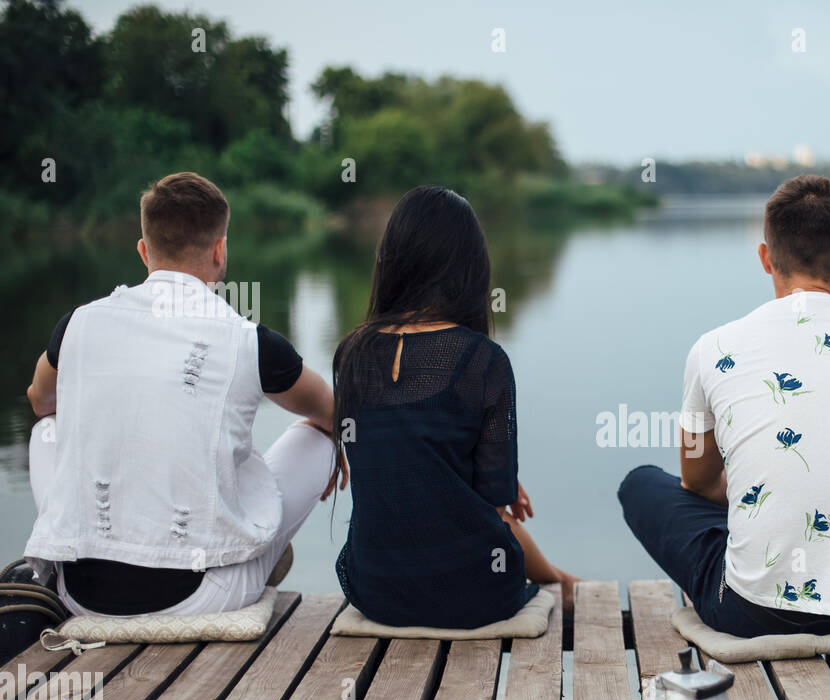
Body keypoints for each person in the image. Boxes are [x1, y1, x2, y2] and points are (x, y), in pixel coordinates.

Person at [619, 174, 830, 637]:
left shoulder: (714, 346)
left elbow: (695, 481)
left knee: (641, 484)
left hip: (750, 613)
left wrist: (759, 491)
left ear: (765, 256)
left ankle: (766, 544)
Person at [24, 172, 340, 616]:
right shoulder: (251, 340)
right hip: (200, 598)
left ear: (142, 251)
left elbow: (41, 402)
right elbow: (333, 411)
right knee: (323, 437)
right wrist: (327, 432)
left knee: (47, 432)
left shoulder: (78, 323)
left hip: (80, 596)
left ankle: (72, 544)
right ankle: (250, 549)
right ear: (219, 250)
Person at [330, 185, 577, 629]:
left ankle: (559, 577)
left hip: (376, 592)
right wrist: (491, 490)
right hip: (475, 595)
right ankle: (562, 579)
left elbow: (395, 472)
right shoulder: (483, 360)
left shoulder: (351, 353)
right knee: (497, 541)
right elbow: (498, 508)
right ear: (471, 267)